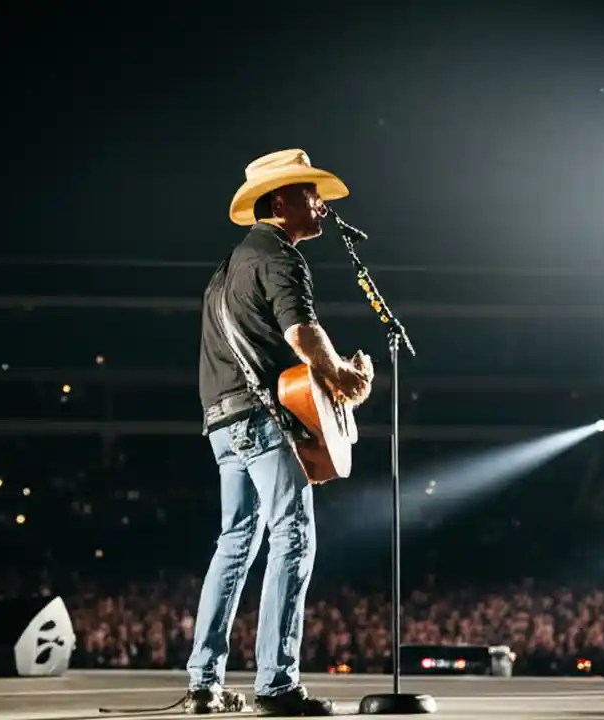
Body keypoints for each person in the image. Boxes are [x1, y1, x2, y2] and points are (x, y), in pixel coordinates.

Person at [185, 149, 374, 715]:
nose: (320, 204)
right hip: (260, 419)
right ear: (280, 201)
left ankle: (203, 682)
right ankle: (277, 684)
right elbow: (301, 334)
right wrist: (344, 376)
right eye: (310, 193)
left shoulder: (226, 270)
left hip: (221, 422)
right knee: (292, 536)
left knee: (234, 543)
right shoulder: (279, 256)